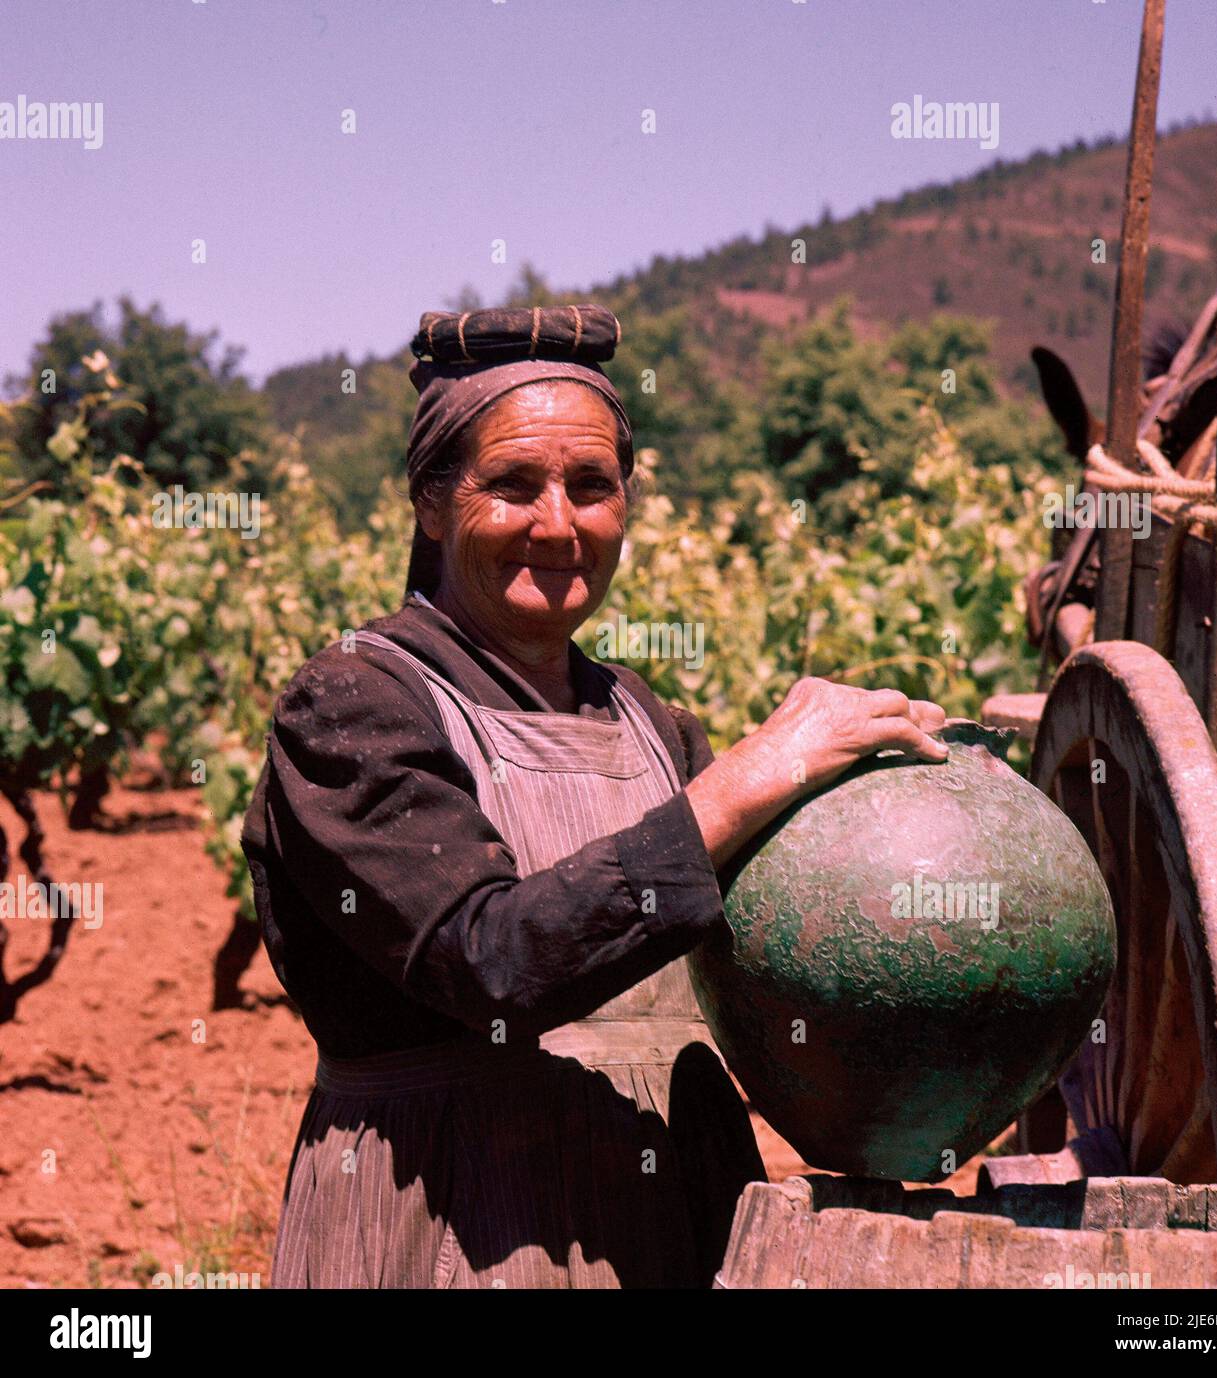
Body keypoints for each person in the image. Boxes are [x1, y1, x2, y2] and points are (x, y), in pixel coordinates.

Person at [241, 303, 949, 1289]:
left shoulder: (649, 723)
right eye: (512, 485)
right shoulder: (357, 702)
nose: (559, 524)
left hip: (661, 1229)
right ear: (432, 503)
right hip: (449, 1231)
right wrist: (744, 779)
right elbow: (488, 961)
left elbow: (768, 975)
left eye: (591, 486)